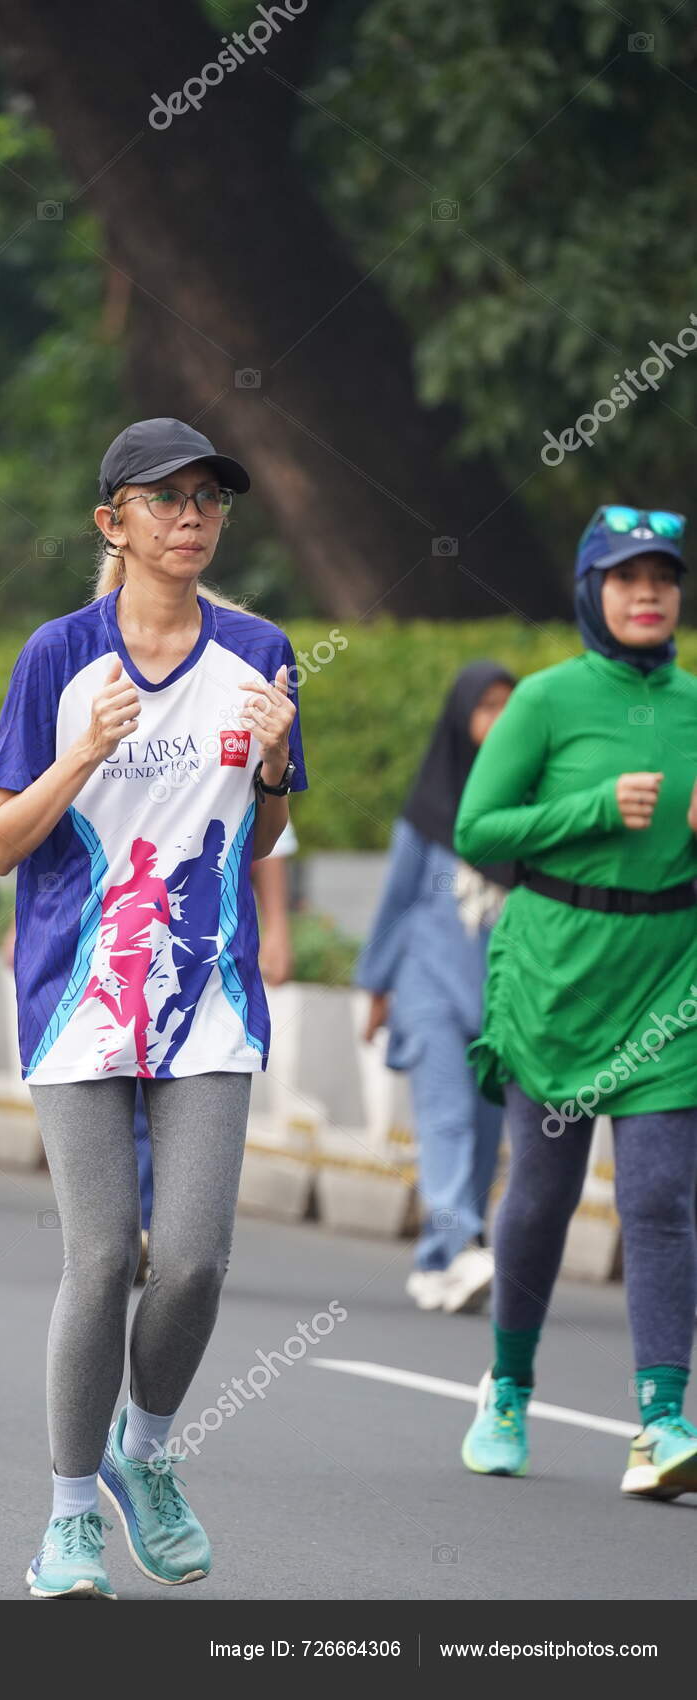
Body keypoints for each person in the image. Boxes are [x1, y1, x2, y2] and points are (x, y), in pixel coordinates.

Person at [0, 417, 307, 1601]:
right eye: (164, 498)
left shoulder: (260, 649)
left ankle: (143, 1454)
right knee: (104, 1251)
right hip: (78, 995)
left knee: (198, 1262)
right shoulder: (57, 656)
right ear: (112, 521)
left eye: (209, 497)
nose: (191, 515)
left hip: (207, 993)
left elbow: (266, 832)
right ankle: (67, 1519)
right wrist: (82, 754)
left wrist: (271, 769)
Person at [456, 506, 697, 1499]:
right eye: (623, 576)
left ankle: (660, 1420)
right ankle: (506, 1385)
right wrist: (591, 809)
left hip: (667, 977)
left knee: (658, 1197)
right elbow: (477, 829)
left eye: (662, 577)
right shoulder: (546, 699)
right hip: (554, 973)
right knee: (543, 1198)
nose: (645, 592)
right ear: (589, 591)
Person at [355, 663, 516, 1313]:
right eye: (485, 707)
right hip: (426, 986)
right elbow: (395, 905)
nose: (498, 720)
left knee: (483, 1135)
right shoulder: (427, 814)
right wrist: (375, 989)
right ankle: (460, 1250)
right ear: (459, 719)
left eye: (510, 707)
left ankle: (438, 1259)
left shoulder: (528, 810)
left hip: (500, 998)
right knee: (446, 1122)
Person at [131, 820, 300, 1284]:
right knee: (132, 1097)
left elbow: (271, 836)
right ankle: (136, 1229)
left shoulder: (235, 747)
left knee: (179, 1083)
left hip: (202, 946)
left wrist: (278, 927)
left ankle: (165, 1237)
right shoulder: (102, 747)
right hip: (122, 941)